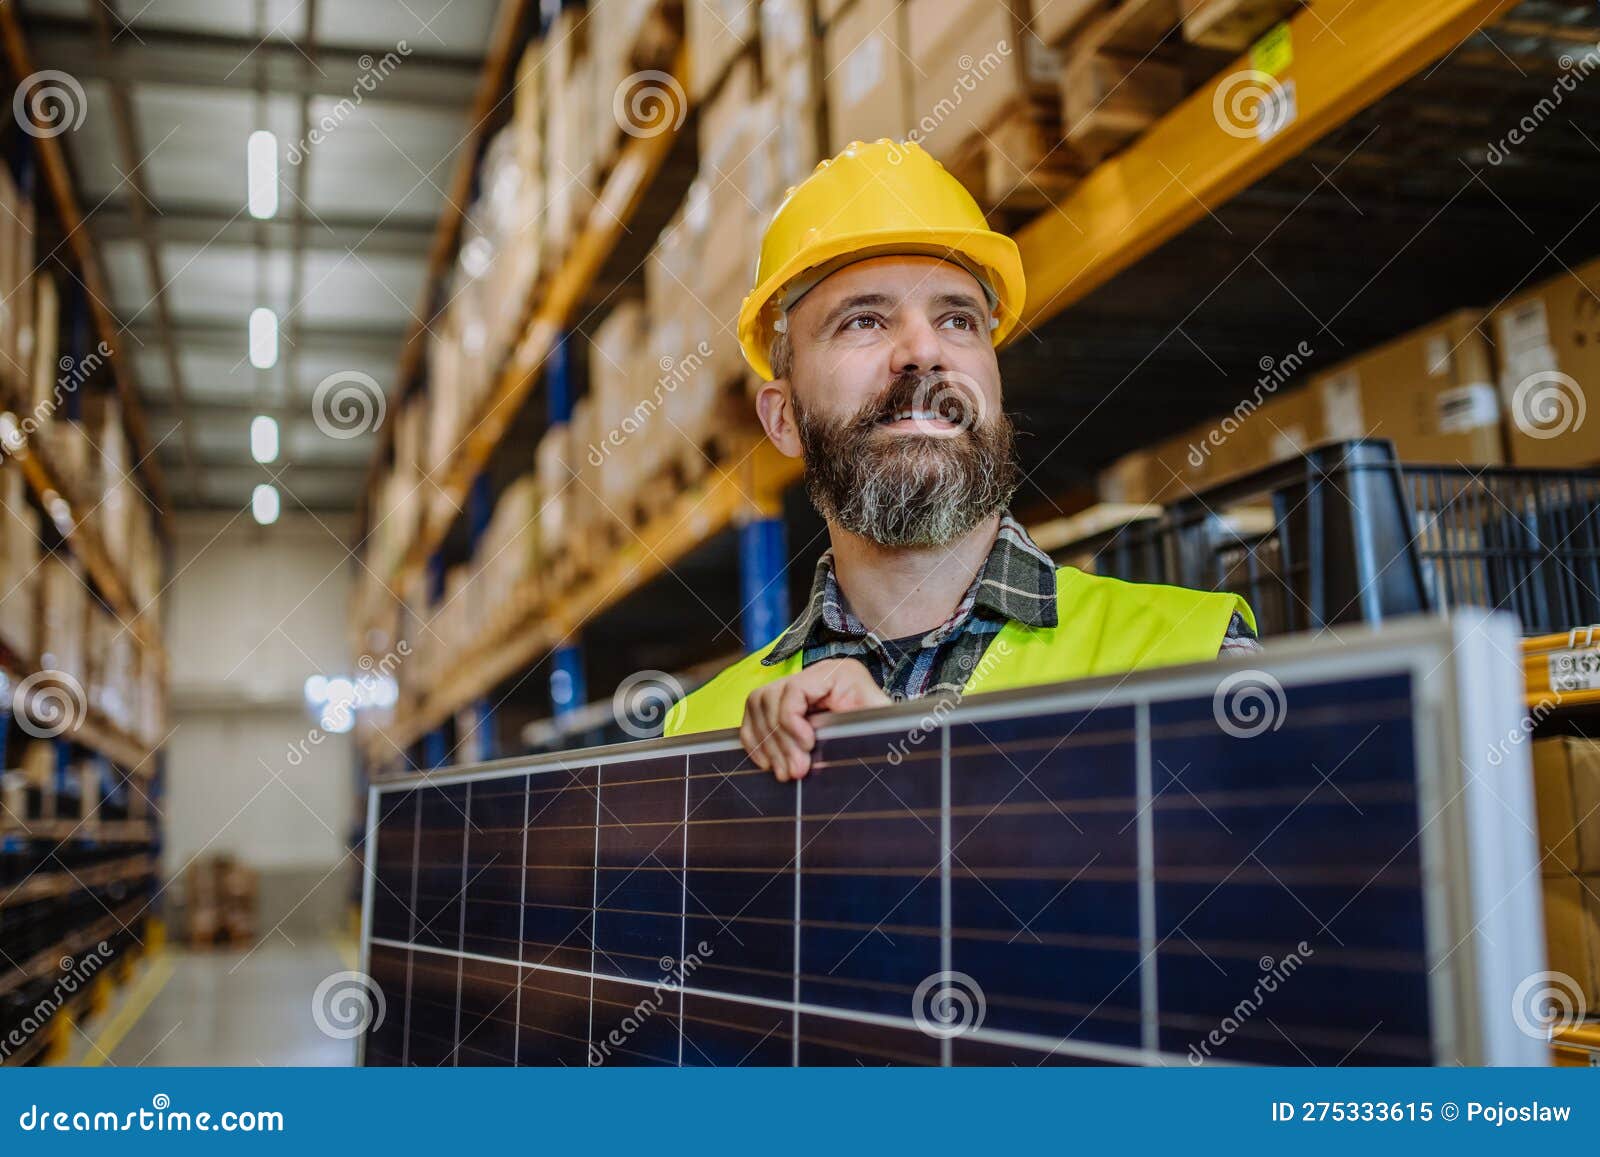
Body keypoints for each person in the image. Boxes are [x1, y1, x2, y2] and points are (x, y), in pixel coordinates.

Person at [662, 139, 1258, 776]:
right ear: (783, 419)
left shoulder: (1191, 658)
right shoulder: (700, 739)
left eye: (958, 320)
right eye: (863, 321)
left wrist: (909, 769)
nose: (923, 351)